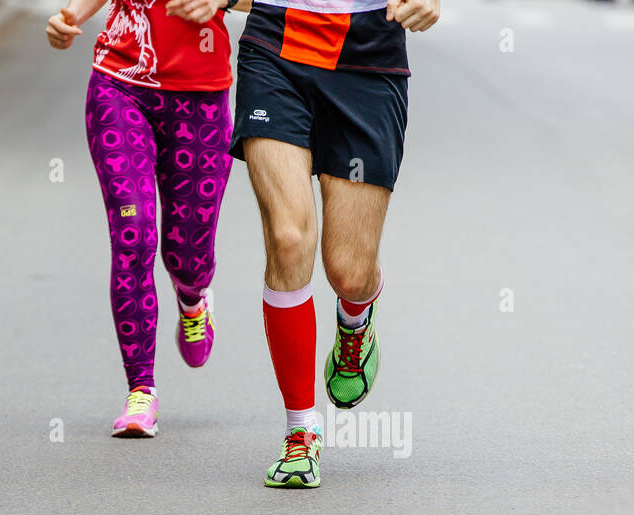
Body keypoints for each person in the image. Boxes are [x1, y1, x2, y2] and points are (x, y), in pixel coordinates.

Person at [171, 0, 439, 487]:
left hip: (367, 51)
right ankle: (302, 431)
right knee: (288, 237)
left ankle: (355, 323)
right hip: (275, 40)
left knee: (348, 271)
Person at [47, 0, 245, 437]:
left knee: (188, 256)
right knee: (134, 235)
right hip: (118, 86)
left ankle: (193, 298)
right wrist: (71, 17)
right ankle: (141, 390)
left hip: (202, 98)